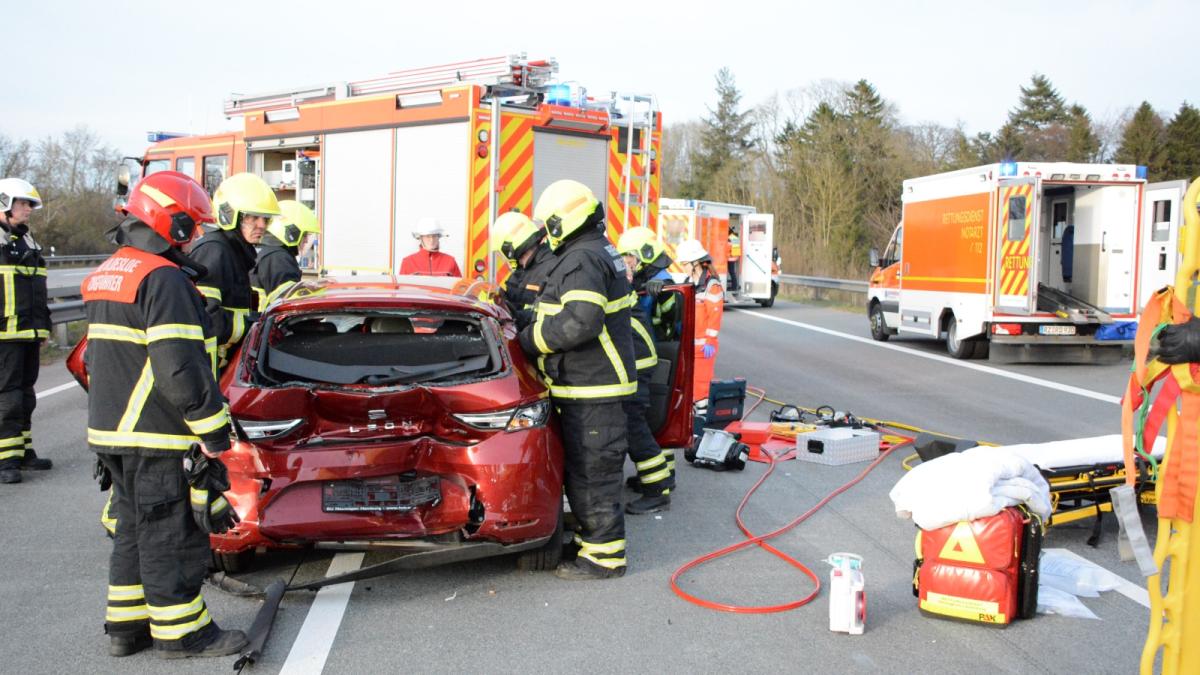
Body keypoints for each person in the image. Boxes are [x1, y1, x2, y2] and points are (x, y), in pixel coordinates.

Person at [82, 171, 246, 658]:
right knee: (169, 533)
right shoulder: (163, 279)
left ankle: (126, 627)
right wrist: (215, 432)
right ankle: (183, 631)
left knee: (133, 528)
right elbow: (181, 368)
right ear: (168, 220)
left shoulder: (112, 271)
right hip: (154, 432)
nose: (193, 236)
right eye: (189, 225)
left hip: (112, 430)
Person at [517, 180, 636, 579]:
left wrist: (529, 341)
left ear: (560, 221)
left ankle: (604, 558)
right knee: (585, 472)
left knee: (593, 475)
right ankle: (591, 542)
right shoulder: (593, 250)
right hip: (590, 385)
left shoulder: (582, 258)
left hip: (594, 387)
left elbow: (580, 323)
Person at [188, 173, 279, 369]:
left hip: (224, 363)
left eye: (265, 218)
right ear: (230, 215)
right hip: (210, 366)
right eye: (253, 217)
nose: (262, 225)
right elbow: (204, 316)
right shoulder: (215, 251)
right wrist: (251, 325)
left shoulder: (235, 251)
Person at [616, 226, 676, 514]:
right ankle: (656, 479)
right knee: (644, 422)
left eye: (628, 256)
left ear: (642, 256)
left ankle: (658, 488)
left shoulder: (662, 283)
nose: (625, 261)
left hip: (643, 360)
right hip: (640, 360)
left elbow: (671, 323)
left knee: (636, 426)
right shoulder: (639, 281)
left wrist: (664, 297)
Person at [0, 178, 51, 484]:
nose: (28, 210)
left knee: (26, 396)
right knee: (8, 397)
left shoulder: (25, 242)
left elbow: (37, 290)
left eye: (30, 205)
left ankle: (22, 451)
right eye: (22, 204)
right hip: (4, 335)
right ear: (5, 203)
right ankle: (6, 459)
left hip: (27, 332)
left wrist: (43, 327)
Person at [675, 239, 724, 410]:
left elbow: (714, 316)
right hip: (689, 346)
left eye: (685, 263)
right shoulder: (689, 282)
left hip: (704, 348)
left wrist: (710, 340)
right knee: (690, 389)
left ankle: (702, 425)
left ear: (696, 263)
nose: (683, 267)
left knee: (701, 391)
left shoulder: (712, 285)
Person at [250, 200, 319, 311]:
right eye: (304, 234)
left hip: (261, 323)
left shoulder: (268, 253)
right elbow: (288, 304)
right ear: (291, 232)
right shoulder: (279, 260)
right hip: (267, 325)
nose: (306, 240)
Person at [494, 211, 552, 329]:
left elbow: (548, 317)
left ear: (508, 249)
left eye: (501, 253)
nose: (502, 258)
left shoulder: (550, 269)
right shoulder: (521, 273)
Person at [726, 223, 741, 294]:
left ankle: (734, 286)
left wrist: (729, 254)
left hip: (731, 258)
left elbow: (736, 251)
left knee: (732, 272)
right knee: (731, 272)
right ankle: (733, 286)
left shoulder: (733, 238)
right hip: (730, 258)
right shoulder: (733, 237)